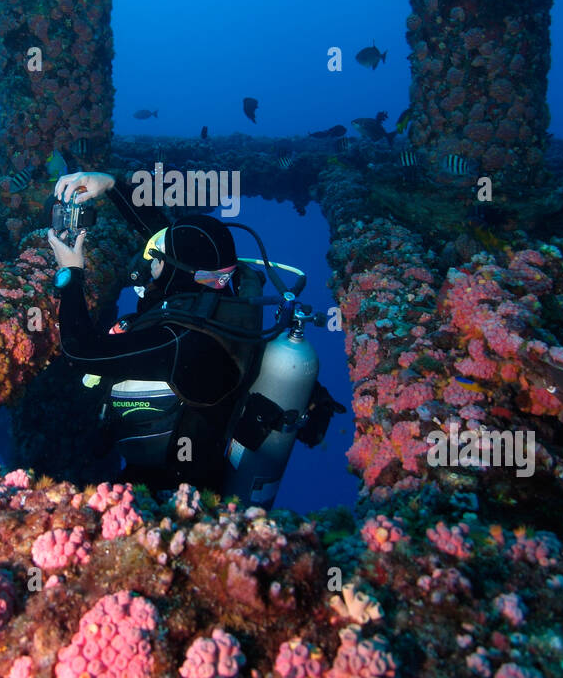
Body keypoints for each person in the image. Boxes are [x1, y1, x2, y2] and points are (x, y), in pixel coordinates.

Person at [47, 169, 342, 494]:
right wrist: (112, 185)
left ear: (178, 271)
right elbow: (167, 237)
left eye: (159, 261)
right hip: (194, 461)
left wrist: (70, 273)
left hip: (171, 489)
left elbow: (80, 351)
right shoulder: (223, 293)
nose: (151, 266)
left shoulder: (181, 340)